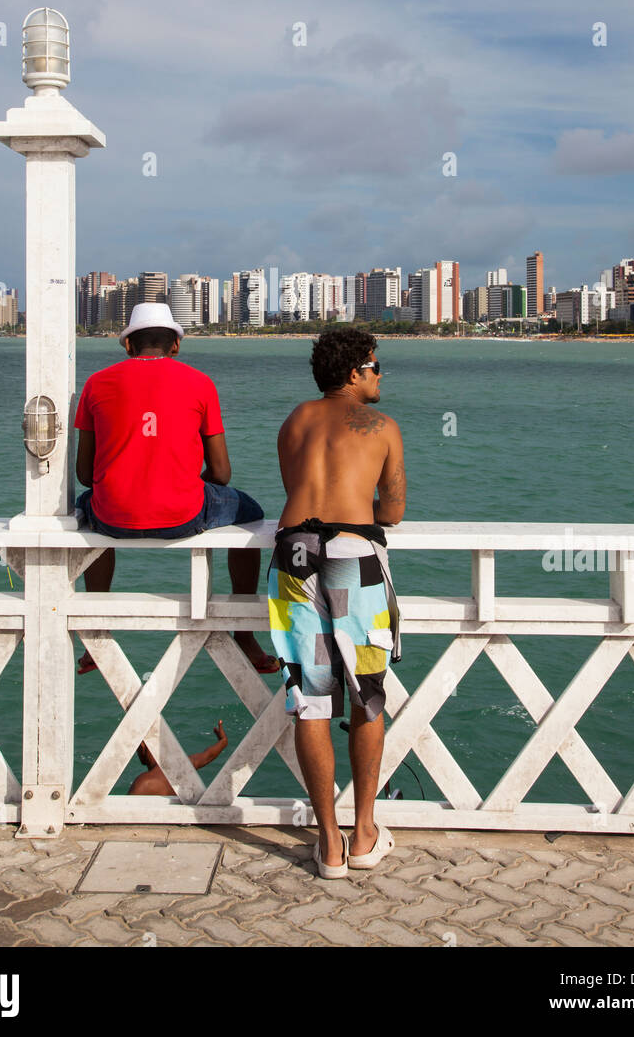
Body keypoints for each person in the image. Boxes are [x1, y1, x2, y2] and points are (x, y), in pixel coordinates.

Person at [74, 301, 278, 674]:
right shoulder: (200, 383)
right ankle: (244, 631)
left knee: (89, 506)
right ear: (176, 345)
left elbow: (85, 475)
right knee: (252, 515)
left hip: (112, 517)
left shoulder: (95, 384)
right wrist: (183, 480)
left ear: (128, 345)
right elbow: (221, 473)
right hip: (184, 515)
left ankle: (96, 630)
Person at [269, 327, 405, 878]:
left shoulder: (294, 420)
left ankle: (328, 846)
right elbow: (392, 510)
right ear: (354, 373)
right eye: (375, 365)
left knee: (311, 696)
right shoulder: (382, 426)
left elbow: (295, 486)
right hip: (353, 553)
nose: (379, 374)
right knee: (365, 692)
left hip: (296, 552)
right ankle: (366, 834)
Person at [130, 721, 228, 795]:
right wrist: (223, 741)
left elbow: (123, 816)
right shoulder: (182, 766)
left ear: (143, 746)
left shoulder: (144, 783)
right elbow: (207, 755)